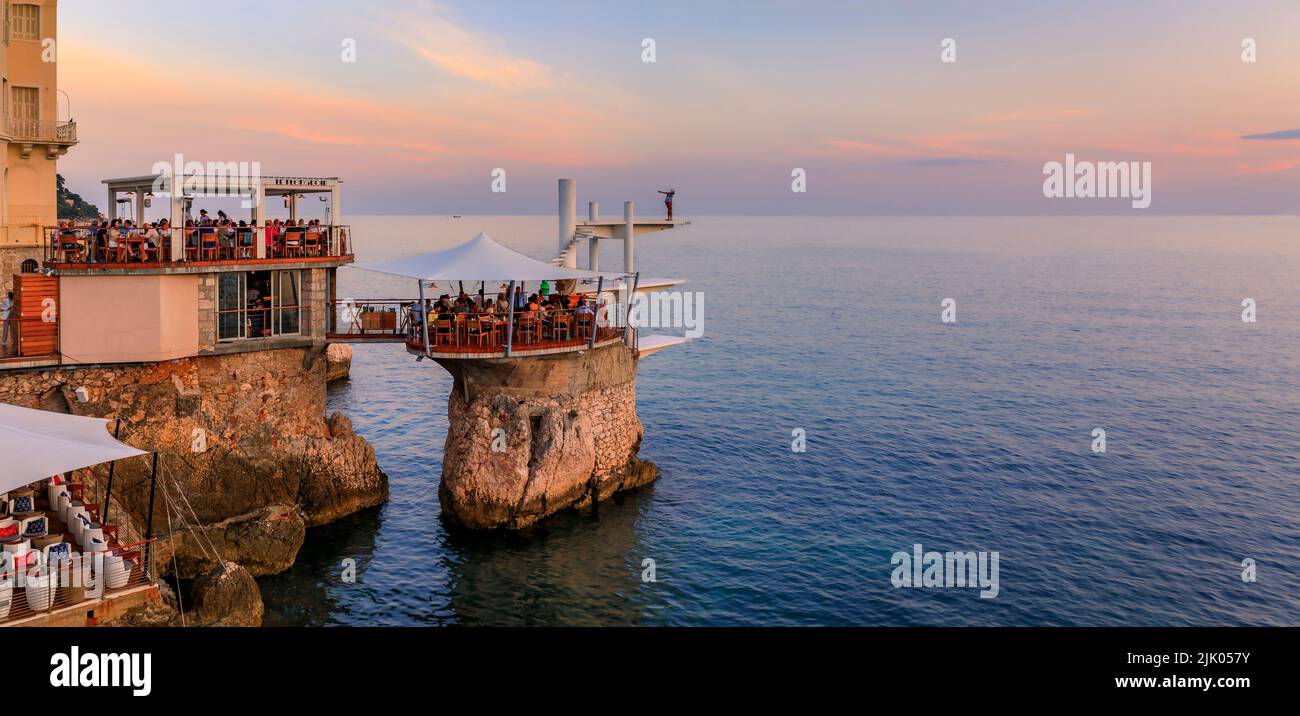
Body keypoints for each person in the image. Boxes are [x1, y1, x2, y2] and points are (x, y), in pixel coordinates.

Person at [0, 291, 12, 356]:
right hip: (6, 316)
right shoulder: (5, 300)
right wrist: (7, 308)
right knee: (5, 329)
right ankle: (3, 342)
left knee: (13, 329)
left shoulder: (14, 300)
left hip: (12, 316)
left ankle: (13, 341)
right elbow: (2, 307)